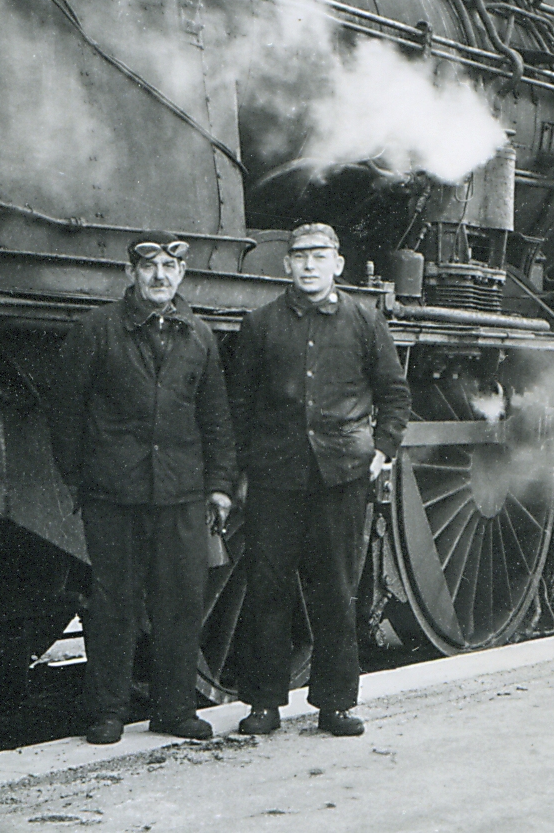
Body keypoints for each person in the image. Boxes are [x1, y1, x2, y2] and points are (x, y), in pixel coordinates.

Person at [49, 230, 235, 745]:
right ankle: (108, 712)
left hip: (180, 493)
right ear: (131, 273)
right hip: (114, 492)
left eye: (170, 269)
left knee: (180, 601)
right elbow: (65, 410)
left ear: (181, 276)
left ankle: (174, 710)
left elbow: (216, 417)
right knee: (114, 603)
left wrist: (218, 485)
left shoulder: (199, 335)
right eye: (149, 267)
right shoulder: (97, 330)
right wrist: (78, 477)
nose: (160, 277)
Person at [231, 222, 411, 737]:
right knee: (268, 590)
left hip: (342, 475)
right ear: (286, 264)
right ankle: (264, 702)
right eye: (300, 256)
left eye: (319, 256)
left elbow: (395, 395)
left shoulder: (364, 321)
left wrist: (382, 450)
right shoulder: (261, 324)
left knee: (336, 591)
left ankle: (335, 704)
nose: (309, 265)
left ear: (338, 264)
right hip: (275, 477)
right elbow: (240, 404)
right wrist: (246, 467)